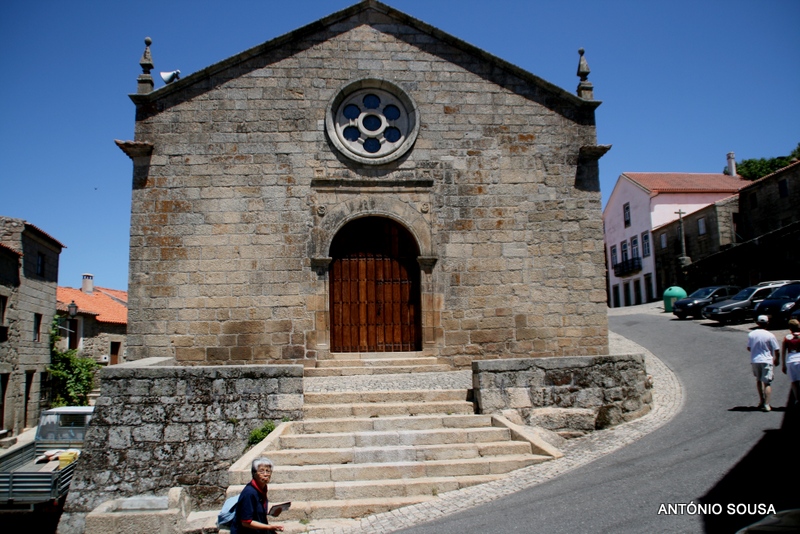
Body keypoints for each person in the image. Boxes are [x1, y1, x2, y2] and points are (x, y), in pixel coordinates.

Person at [230, 457, 283, 533]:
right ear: (254, 474)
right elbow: (246, 522)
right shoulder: (249, 493)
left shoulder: (263, 488)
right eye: (261, 471)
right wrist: (269, 527)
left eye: (268, 471)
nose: (265, 474)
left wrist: (272, 513)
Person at [747, 315, 780, 411]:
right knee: (767, 382)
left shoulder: (752, 334)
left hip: (755, 360)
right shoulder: (770, 335)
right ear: (767, 323)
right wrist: (777, 359)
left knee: (758, 380)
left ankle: (761, 400)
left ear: (757, 323)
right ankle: (767, 404)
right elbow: (776, 349)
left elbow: (749, 347)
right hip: (766, 360)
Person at [781, 318, 800, 407]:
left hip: (791, 360)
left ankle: (797, 399)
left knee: (794, 381)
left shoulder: (787, 338)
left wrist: (783, 364)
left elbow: (784, 351)